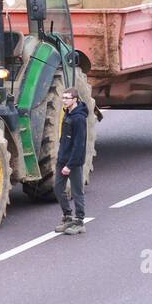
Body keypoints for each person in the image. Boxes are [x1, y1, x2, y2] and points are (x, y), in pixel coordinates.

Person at [54, 86, 89, 235]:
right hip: (63, 159)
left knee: (76, 191)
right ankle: (67, 216)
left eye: (67, 98)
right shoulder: (67, 114)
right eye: (63, 98)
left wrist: (70, 165)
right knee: (57, 188)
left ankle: (80, 221)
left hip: (73, 162)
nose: (64, 100)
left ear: (74, 100)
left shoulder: (79, 118)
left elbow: (79, 144)